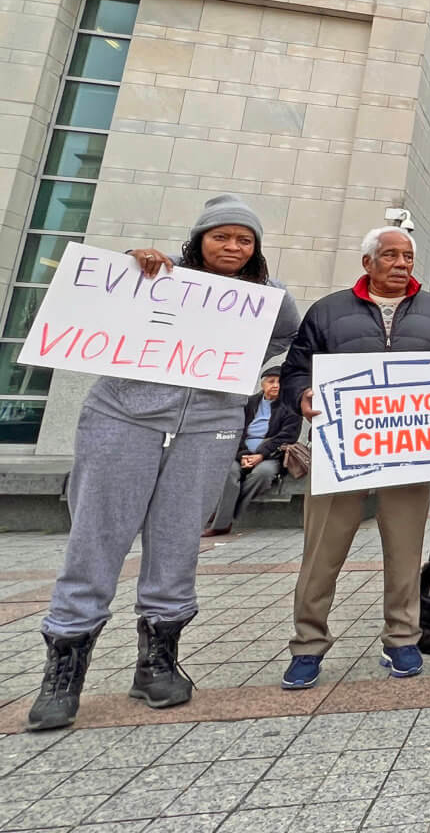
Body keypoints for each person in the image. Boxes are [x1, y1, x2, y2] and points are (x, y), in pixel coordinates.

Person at [27, 195, 300, 731]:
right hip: (123, 416)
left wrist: (251, 360)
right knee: (96, 537)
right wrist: (133, 260)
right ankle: (64, 672)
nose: (233, 247)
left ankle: (157, 664)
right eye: (222, 236)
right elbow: (97, 294)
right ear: (198, 238)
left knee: (179, 540)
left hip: (207, 425)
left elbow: (287, 332)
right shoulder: (154, 273)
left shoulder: (268, 296)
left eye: (245, 240)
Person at [278, 227, 430, 690]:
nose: (401, 264)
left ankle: (402, 637)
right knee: (322, 551)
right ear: (368, 263)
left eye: (408, 256)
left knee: (404, 551)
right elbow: (295, 368)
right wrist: (301, 394)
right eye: (390, 256)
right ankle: (308, 644)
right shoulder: (328, 310)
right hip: (339, 447)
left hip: (413, 453)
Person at [203, 366, 291, 537]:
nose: (276, 385)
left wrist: (260, 455)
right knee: (229, 472)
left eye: (280, 382)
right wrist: (243, 455)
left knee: (262, 474)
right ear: (262, 384)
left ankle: (223, 517)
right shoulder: (248, 404)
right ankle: (223, 522)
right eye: (271, 381)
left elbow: (287, 436)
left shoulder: (290, 406)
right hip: (242, 455)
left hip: (270, 456)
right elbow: (236, 431)